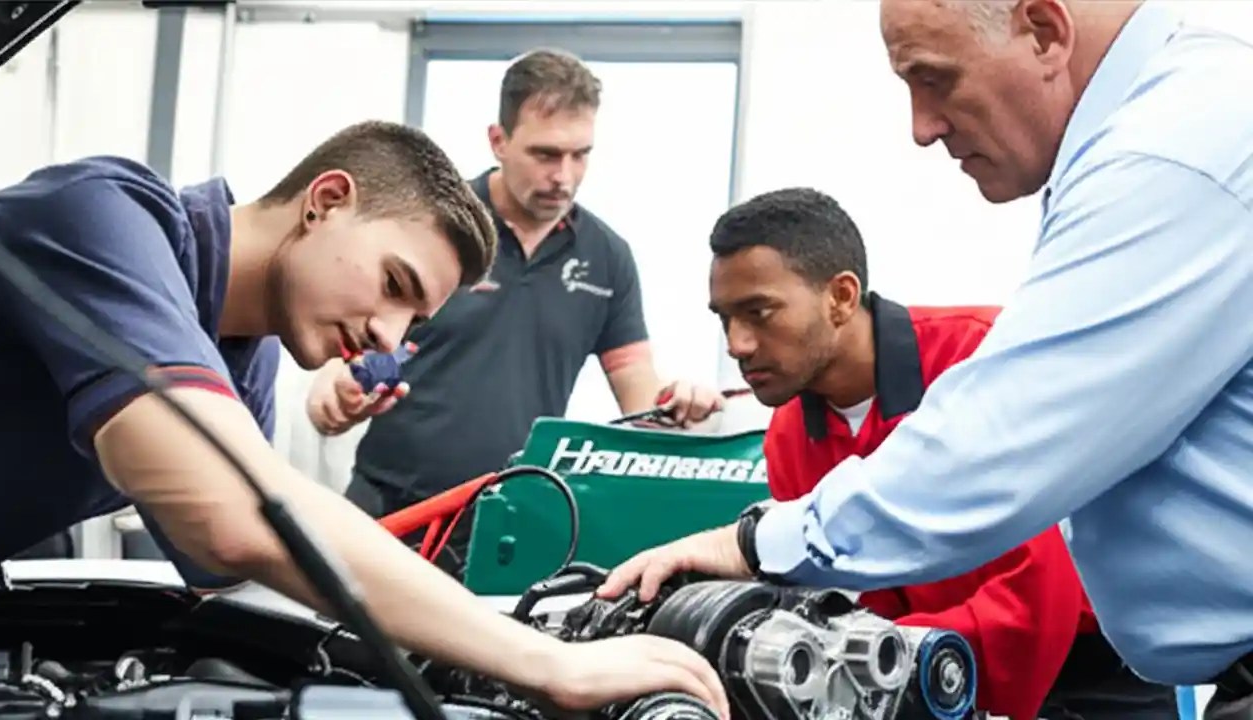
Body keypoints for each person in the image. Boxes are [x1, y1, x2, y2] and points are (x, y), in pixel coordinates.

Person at [598, 1, 1253, 717]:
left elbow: (1005, 450)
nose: (922, 127)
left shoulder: (1173, 153)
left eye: (935, 80)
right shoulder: (1168, 128)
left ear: (1044, 29)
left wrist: (755, 543)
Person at [0, 120, 729, 718]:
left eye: (415, 323)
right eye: (393, 284)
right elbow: (240, 521)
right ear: (327, 200)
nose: (390, 341)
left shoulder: (243, 361)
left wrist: (508, 638)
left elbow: (230, 586)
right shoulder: (103, 217)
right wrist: (543, 664)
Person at [705, 186, 1177, 720]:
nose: (736, 343)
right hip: (925, 677)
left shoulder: (987, 356)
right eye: (724, 318)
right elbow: (850, 607)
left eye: (758, 312)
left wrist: (878, 659)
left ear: (840, 296)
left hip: (1091, 678)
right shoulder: (787, 436)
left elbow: (1040, 589)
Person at [308, 48, 724, 576]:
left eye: (581, 155)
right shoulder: (434, 229)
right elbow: (336, 374)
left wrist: (676, 408)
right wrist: (332, 399)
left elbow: (640, 399)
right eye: (546, 154)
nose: (565, 177)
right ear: (498, 141)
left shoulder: (607, 258)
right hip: (392, 512)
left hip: (509, 524)